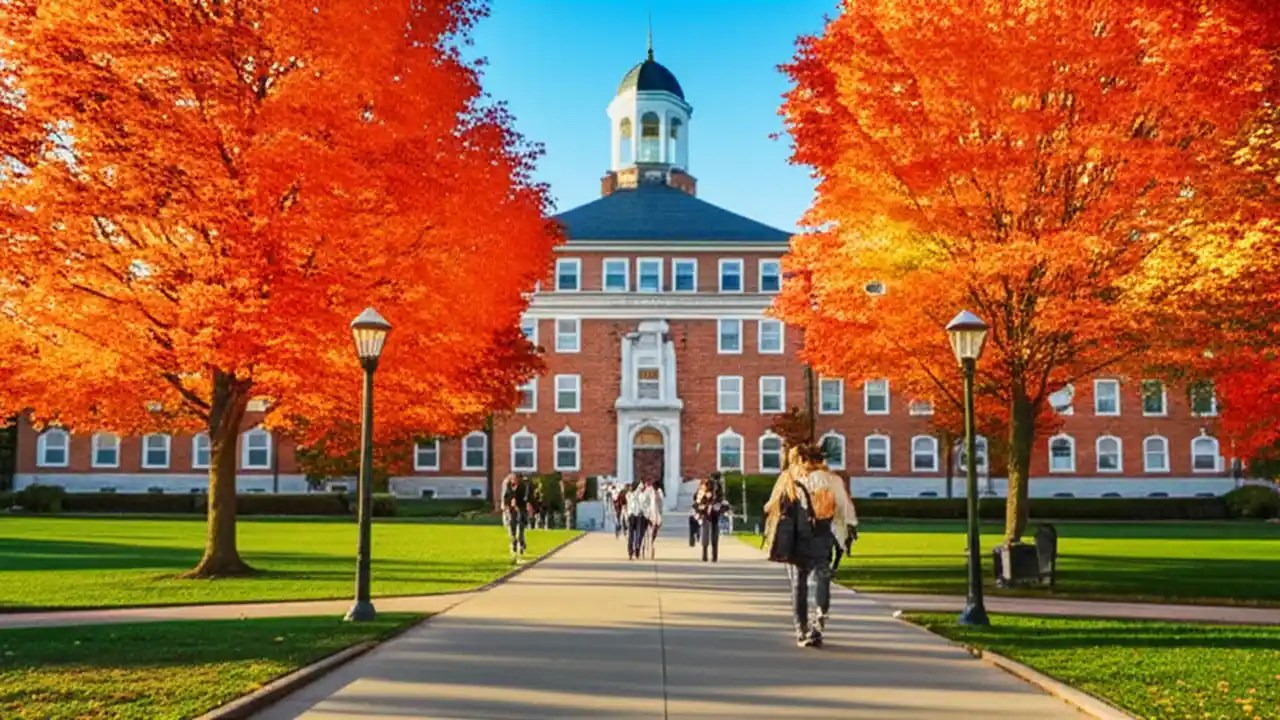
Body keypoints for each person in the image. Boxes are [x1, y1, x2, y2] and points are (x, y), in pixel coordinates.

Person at [763, 444, 858, 648]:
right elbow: (845, 509)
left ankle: (801, 629)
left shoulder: (788, 479)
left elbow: (769, 506)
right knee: (822, 578)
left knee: (798, 584)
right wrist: (846, 530)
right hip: (822, 536)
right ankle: (819, 620)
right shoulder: (832, 480)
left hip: (795, 539)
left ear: (799, 460)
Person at [693, 472, 729, 562]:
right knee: (714, 532)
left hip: (705, 511)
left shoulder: (704, 484)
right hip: (714, 512)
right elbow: (720, 498)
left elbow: (696, 497)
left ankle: (704, 555)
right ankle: (714, 556)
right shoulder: (718, 485)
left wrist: (700, 507)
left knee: (705, 531)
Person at [500, 473, 530, 560]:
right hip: (510, 507)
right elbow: (504, 497)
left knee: (521, 525)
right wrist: (505, 506)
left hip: (521, 506)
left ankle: (521, 542)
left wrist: (523, 504)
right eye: (513, 480)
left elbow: (526, 497)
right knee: (511, 525)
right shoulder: (506, 484)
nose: (515, 482)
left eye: (517, 480)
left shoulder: (524, 485)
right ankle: (513, 543)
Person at [626, 481, 651, 560]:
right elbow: (633, 497)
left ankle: (637, 548)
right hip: (631, 516)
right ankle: (630, 551)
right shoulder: (629, 494)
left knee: (639, 535)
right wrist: (639, 488)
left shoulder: (641, 495)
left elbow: (644, 504)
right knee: (631, 536)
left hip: (639, 516)